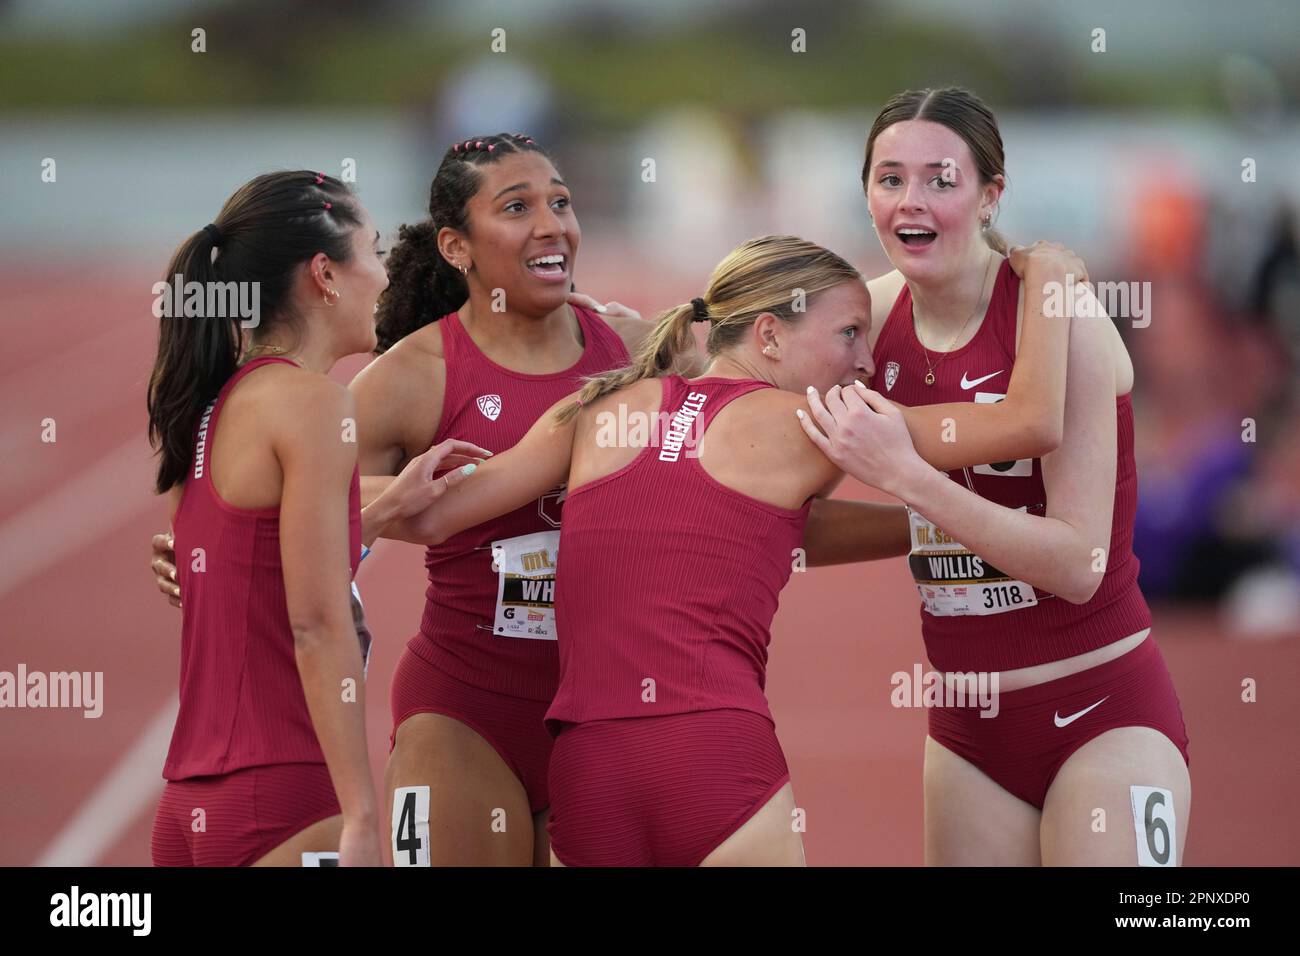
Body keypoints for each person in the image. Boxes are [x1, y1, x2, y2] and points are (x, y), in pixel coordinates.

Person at [383, 233, 1084, 865]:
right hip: (713, 757)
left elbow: (430, 516)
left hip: (588, 770)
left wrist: (309, 503)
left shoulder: (599, 406)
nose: (866, 362)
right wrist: (1049, 281)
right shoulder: (819, 423)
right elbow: (1029, 423)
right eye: (849, 334)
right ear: (771, 336)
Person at [800, 87, 1191, 866]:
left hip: (1105, 712)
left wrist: (912, 480)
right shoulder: (866, 323)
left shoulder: (1059, 315)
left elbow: (1079, 566)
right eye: (889, 179)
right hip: (968, 735)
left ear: (990, 196)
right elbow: (790, 521)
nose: (912, 202)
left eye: (942, 180)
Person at [146, 170, 487, 866]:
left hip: (190, 803)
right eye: (372, 250)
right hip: (284, 801)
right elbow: (314, 621)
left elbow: (261, 564)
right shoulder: (316, 405)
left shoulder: (212, 405)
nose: (387, 272)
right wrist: (362, 815)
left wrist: (384, 508)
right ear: (325, 274)